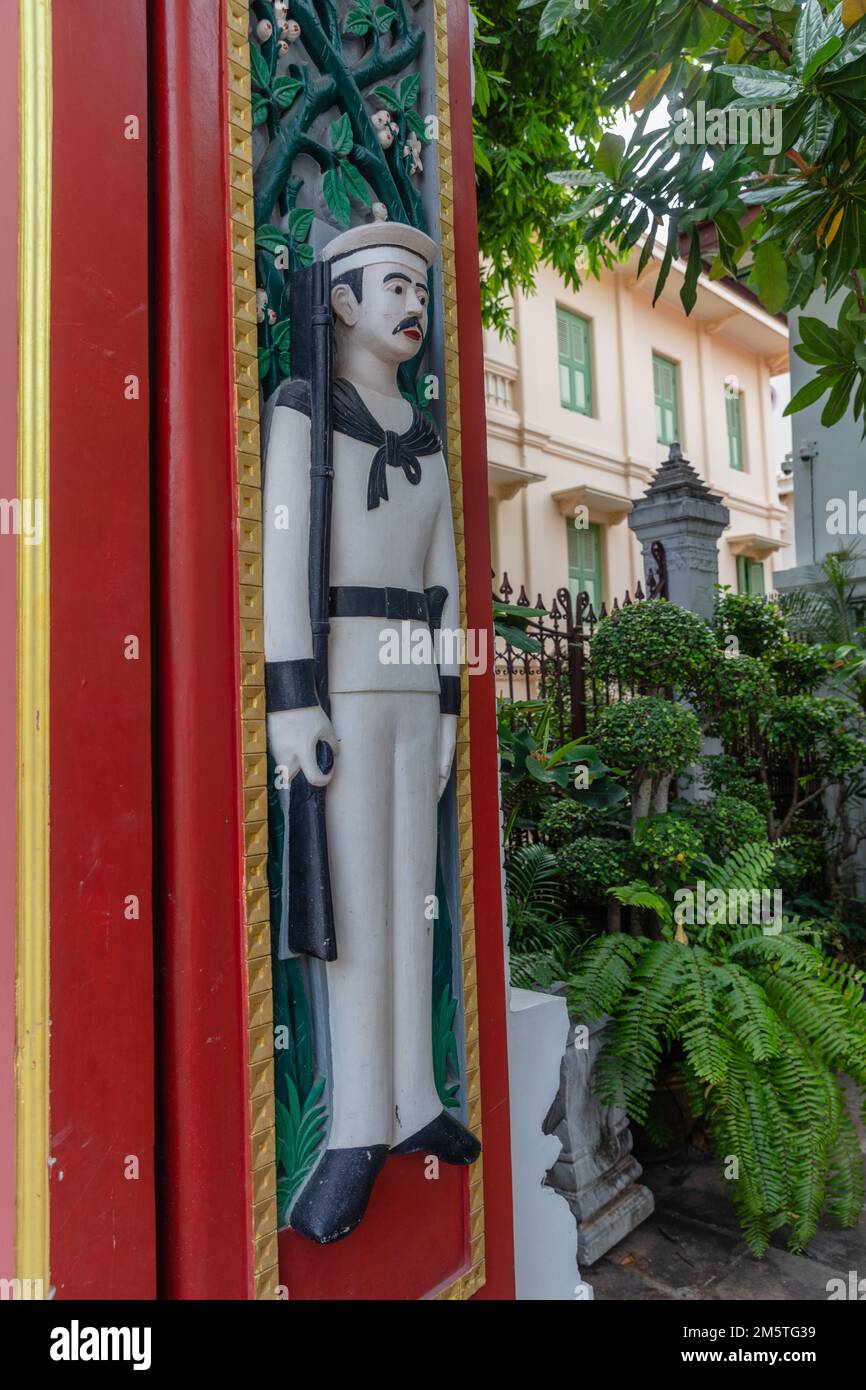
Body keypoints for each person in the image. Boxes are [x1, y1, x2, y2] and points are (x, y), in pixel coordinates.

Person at [263, 221, 480, 1245]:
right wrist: (291, 697)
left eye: (421, 292)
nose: (412, 307)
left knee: (416, 897)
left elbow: (444, 587)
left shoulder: (423, 434)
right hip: (340, 681)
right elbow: (282, 563)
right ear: (341, 301)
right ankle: (352, 1127)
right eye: (391, 286)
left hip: (407, 682)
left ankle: (414, 1095)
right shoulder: (308, 414)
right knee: (349, 905)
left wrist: (445, 703)